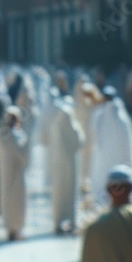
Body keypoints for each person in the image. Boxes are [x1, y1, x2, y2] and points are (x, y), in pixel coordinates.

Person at [89, 86, 132, 207]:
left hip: (115, 158)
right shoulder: (100, 115)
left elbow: (127, 140)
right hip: (104, 157)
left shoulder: (119, 116)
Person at [45, 92, 85, 235]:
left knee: (62, 192)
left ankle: (61, 221)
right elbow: (78, 140)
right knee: (67, 192)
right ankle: (68, 221)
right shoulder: (67, 119)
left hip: (61, 163)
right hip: (68, 163)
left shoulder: (58, 122)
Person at [0, 105, 29, 241]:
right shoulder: (5, 134)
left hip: (16, 173)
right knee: (11, 200)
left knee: (16, 201)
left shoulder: (8, 133)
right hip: (10, 172)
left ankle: (15, 228)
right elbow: (19, 151)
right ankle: (12, 229)